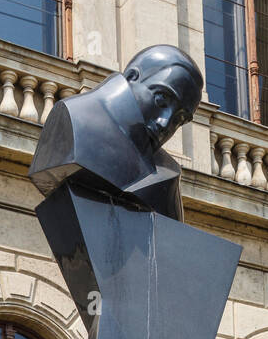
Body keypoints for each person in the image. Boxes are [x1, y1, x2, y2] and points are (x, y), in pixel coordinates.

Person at [28, 45, 203, 222]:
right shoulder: (76, 120)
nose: (165, 123)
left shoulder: (167, 174)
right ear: (131, 78)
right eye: (161, 99)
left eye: (179, 119)